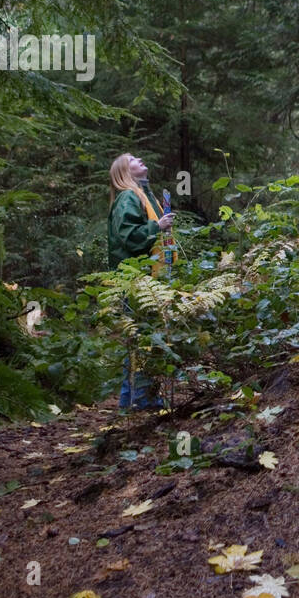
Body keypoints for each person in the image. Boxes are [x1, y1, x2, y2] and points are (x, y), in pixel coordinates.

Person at [106, 153, 175, 412]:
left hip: (146, 279)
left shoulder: (144, 196)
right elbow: (129, 236)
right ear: (124, 171)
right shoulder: (128, 197)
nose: (141, 158)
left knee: (141, 336)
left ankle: (132, 398)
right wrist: (156, 226)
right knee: (143, 336)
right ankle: (140, 399)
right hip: (137, 280)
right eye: (133, 158)